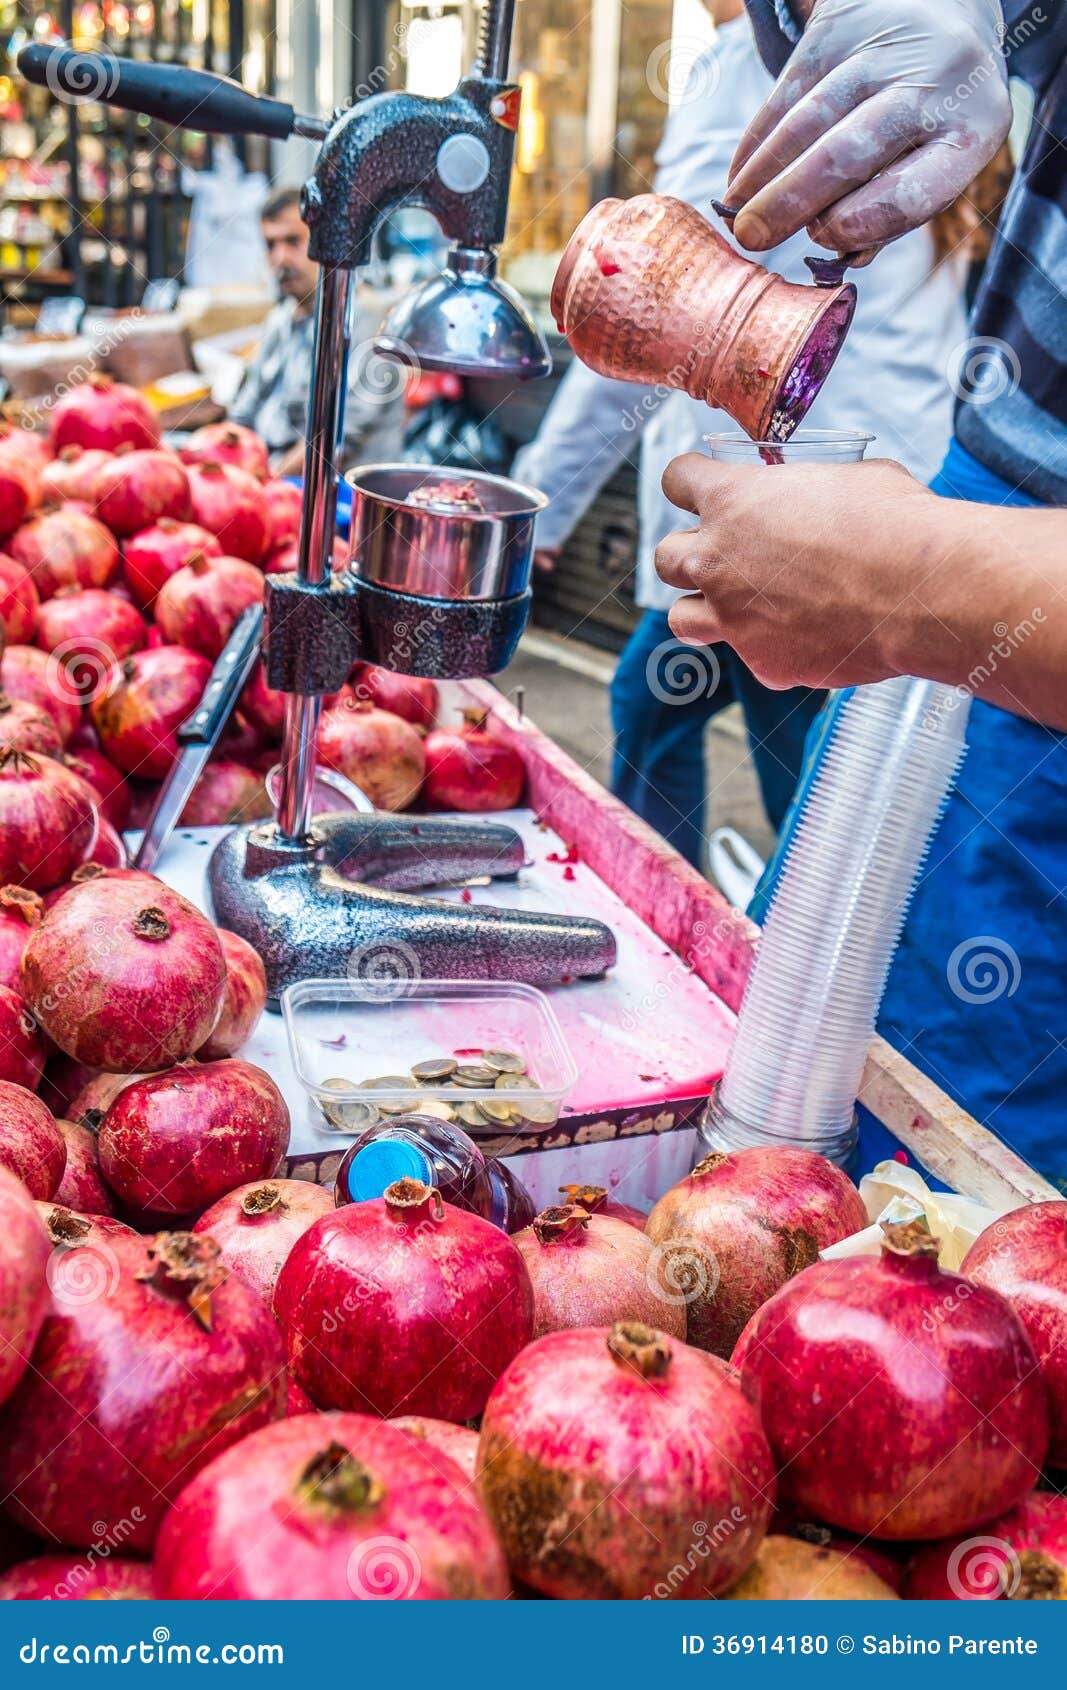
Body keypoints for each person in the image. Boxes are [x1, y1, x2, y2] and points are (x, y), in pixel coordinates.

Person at [656, 0, 1067, 1185]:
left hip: (984, 590)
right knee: (782, 1143)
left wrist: (909, 582)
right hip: (981, 505)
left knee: (956, 1243)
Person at [515, 0, 974, 868]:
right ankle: (701, 912)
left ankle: (713, 929)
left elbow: (641, 292)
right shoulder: (923, 54)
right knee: (687, 712)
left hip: (808, 493)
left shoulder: (751, 61)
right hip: (862, 476)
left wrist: (548, 497)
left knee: (778, 750)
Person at [230, 187, 406, 477]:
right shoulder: (281, 320)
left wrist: (266, 483)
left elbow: (337, 437)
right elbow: (244, 413)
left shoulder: (368, 323)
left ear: (327, 243)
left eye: (293, 241)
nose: (280, 258)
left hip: (341, 496)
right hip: (272, 477)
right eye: (270, 245)